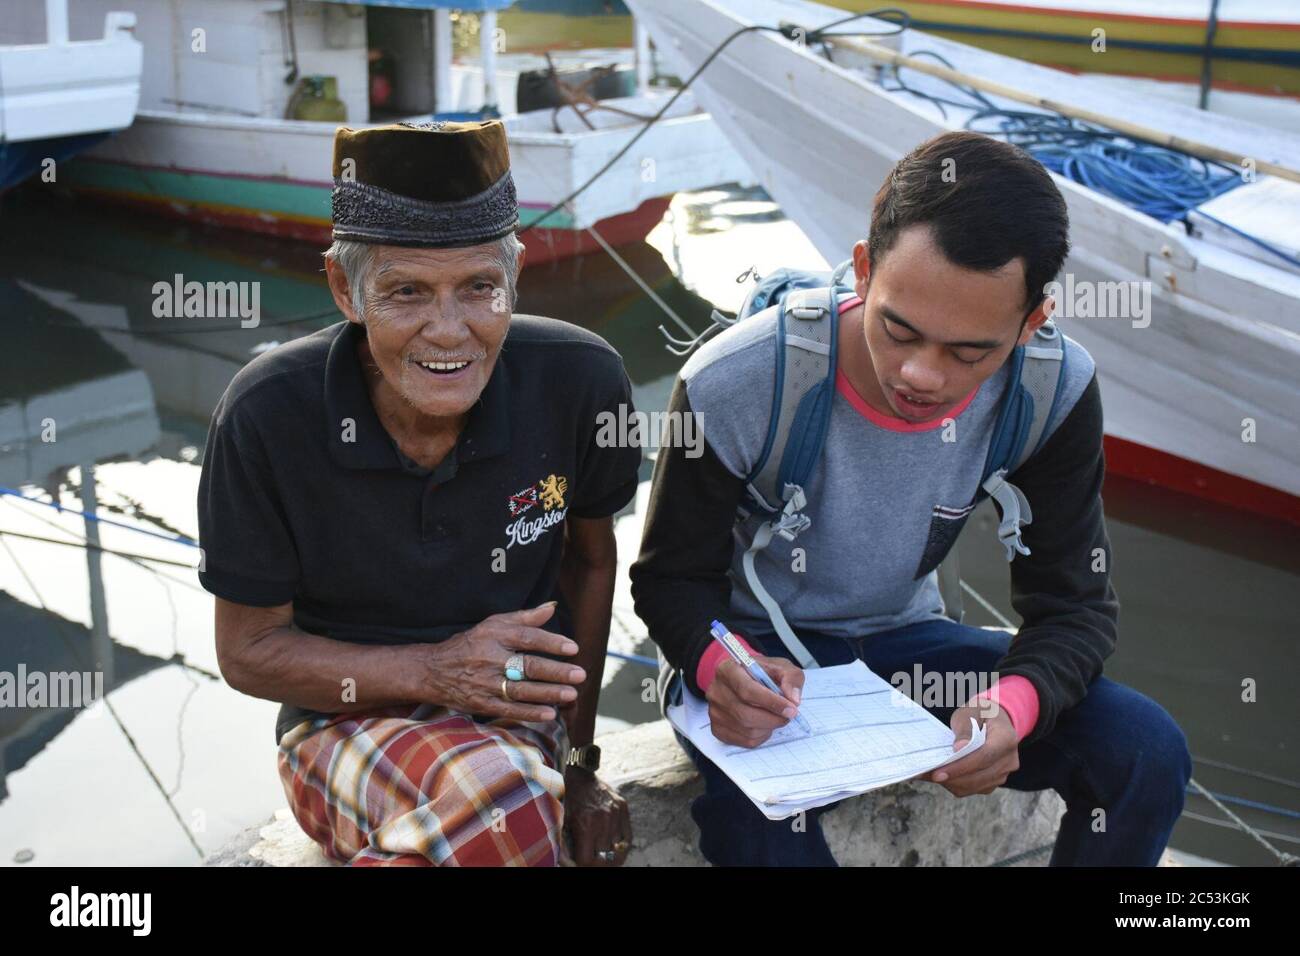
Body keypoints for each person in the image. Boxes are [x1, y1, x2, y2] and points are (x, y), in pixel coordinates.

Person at [630, 130, 1192, 866]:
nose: (921, 375)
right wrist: (715, 665)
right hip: (762, 665)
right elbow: (669, 579)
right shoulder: (735, 382)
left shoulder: (1053, 391)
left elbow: (1075, 608)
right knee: (761, 834)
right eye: (898, 329)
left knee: (1146, 752)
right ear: (864, 270)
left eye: (970, 352)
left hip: (905, 644)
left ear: (1031, 322)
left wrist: (1010, 709)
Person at [197, 119, 640, 866]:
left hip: (515, 714)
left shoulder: (581, 380)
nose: (448, 332)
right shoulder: (267, 412)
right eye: (406, 293)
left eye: (478, 289)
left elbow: (592, 564)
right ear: (346, 290)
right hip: (337, 724)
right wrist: (433, 671)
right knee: (510, 807)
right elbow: (247, 651)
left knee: (511, 800)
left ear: (515, 279)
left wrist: (580, 764)